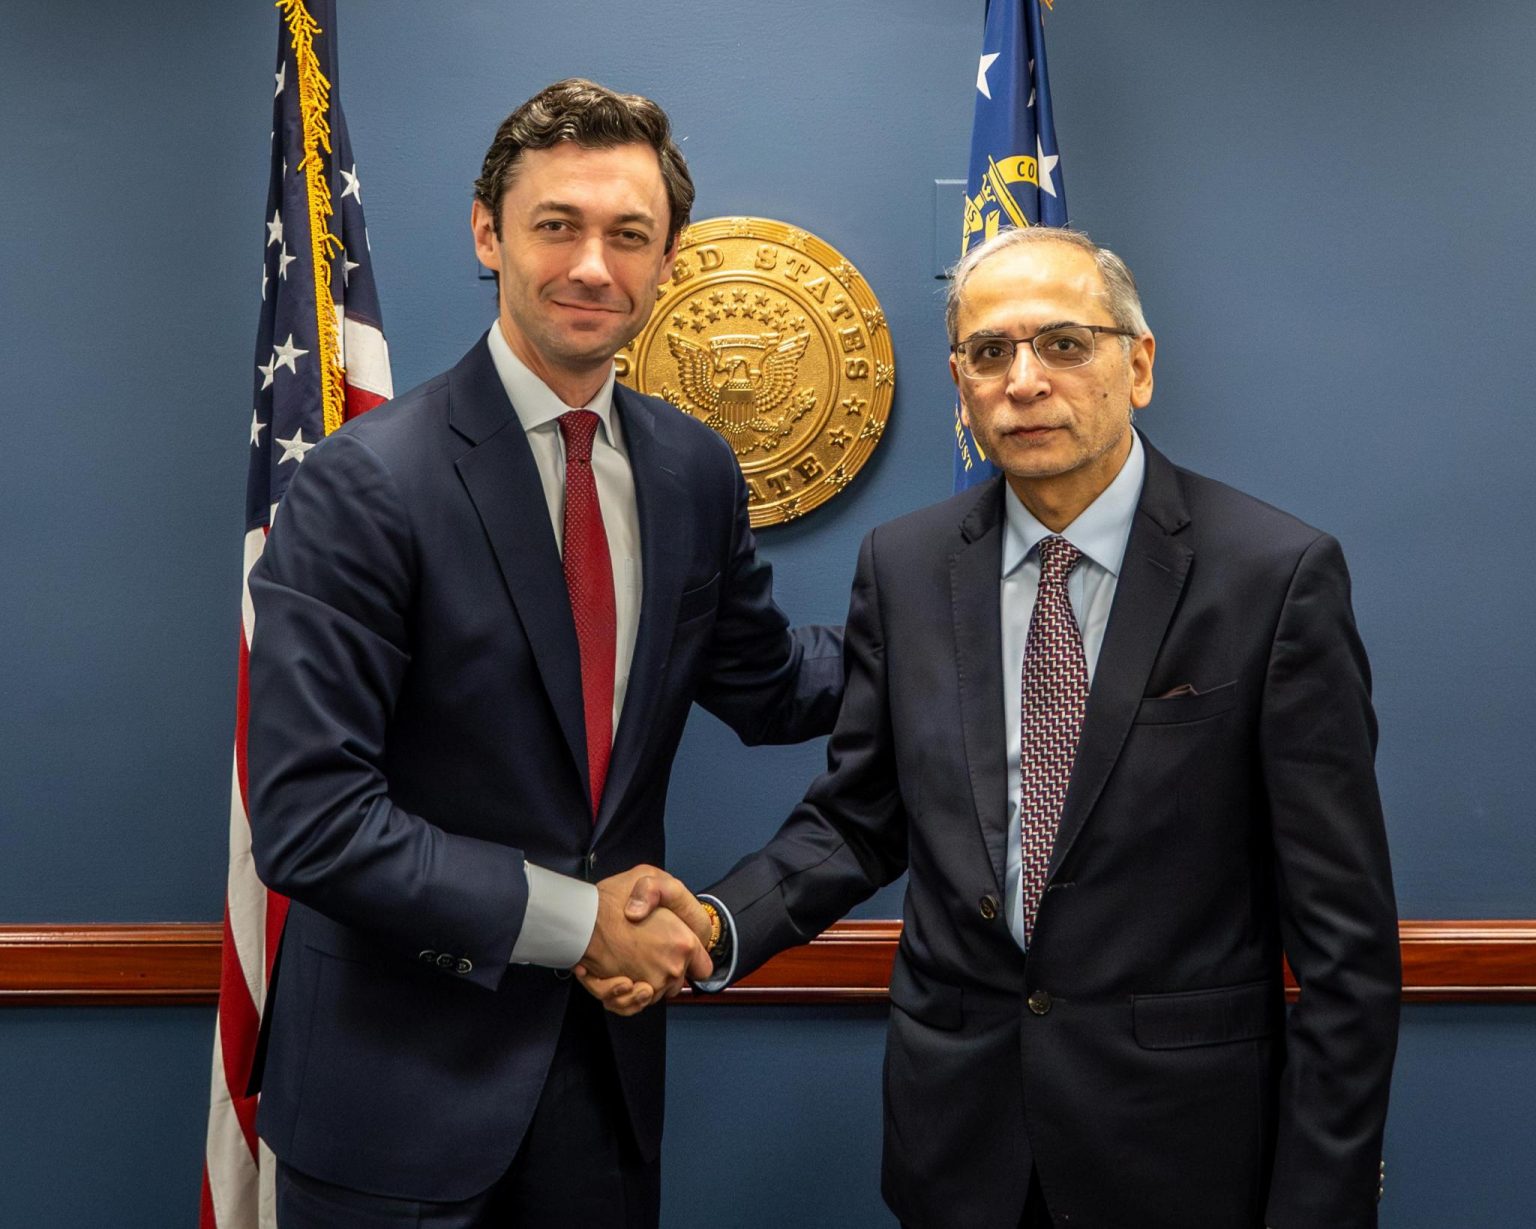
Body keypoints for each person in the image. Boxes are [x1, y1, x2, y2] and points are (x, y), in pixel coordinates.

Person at [603, 226, 1401, 1227]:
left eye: (1064, 343)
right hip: (963, 1146)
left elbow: (1346, 945)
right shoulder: (906, 566)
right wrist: (713, 925)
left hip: (1183, 1154)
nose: (1024, 380)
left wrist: (1322, 1199)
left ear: (1137, 364)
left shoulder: (1273, 577)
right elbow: (859, 818)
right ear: (962, 383)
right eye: (991, 352)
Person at [245, 78, 842, 1229]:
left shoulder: (692, 472)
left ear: (667, 257)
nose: (591, 266)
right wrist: (580, 920)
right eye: (556, 224)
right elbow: (312, 819)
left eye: (629, 234)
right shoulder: (364, 486)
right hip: (392, 1104)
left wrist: (961, 624)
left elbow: (769, 686)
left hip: (600, 1089)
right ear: (489, 232)